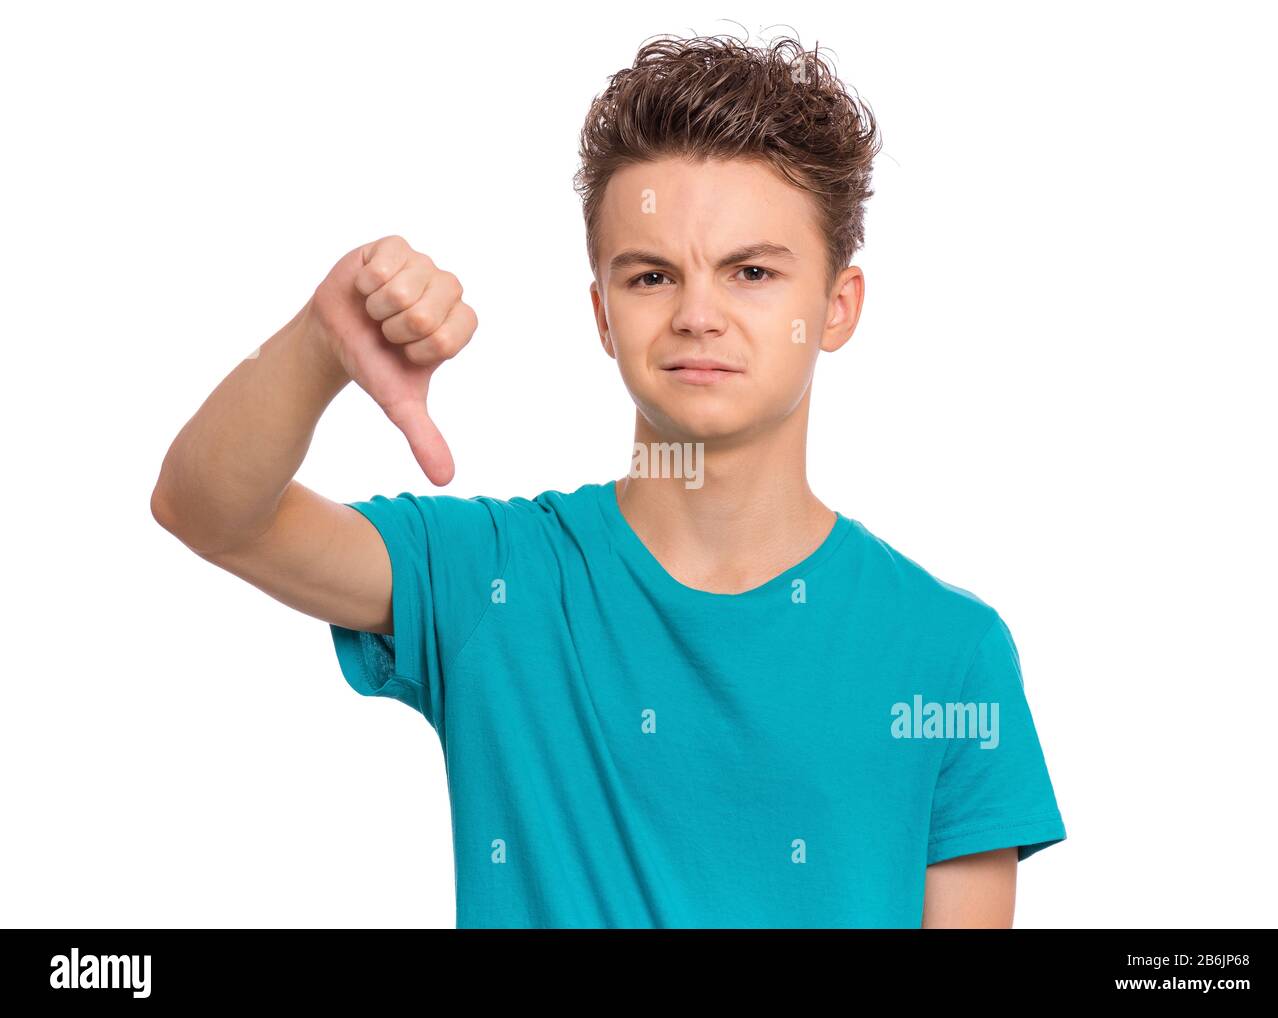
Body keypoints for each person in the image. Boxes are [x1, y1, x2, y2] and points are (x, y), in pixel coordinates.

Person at [151, 33, 1066, 928]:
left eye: (751, 271)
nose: (697, 315)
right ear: (601, 312)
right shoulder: (494, 583)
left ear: (836, 306)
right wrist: (320, 346)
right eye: (651, 275)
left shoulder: (951, 653)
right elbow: (210, 511)